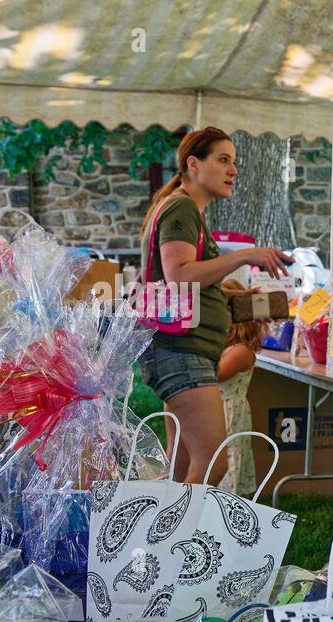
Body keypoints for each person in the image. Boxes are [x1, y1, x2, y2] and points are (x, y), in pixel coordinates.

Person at [136, 127, 293, 485]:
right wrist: (245, 255)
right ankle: (177, 539)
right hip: (181, 352)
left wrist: (243, 305)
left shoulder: (184, 208)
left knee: (182, 467)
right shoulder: (181, 206)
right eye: (223, 160)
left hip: (181, 351)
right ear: (193, 164)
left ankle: (158, 538)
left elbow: (194, 285)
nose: (233, 170)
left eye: (234, 162)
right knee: (213, 463)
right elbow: (180, 275)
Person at [217, 314, 269, 496]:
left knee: (228, 451)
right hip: (219, 407)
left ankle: (226, 496)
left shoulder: (240, 351)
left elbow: (216, 374)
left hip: (229, 410)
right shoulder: (227, 348)